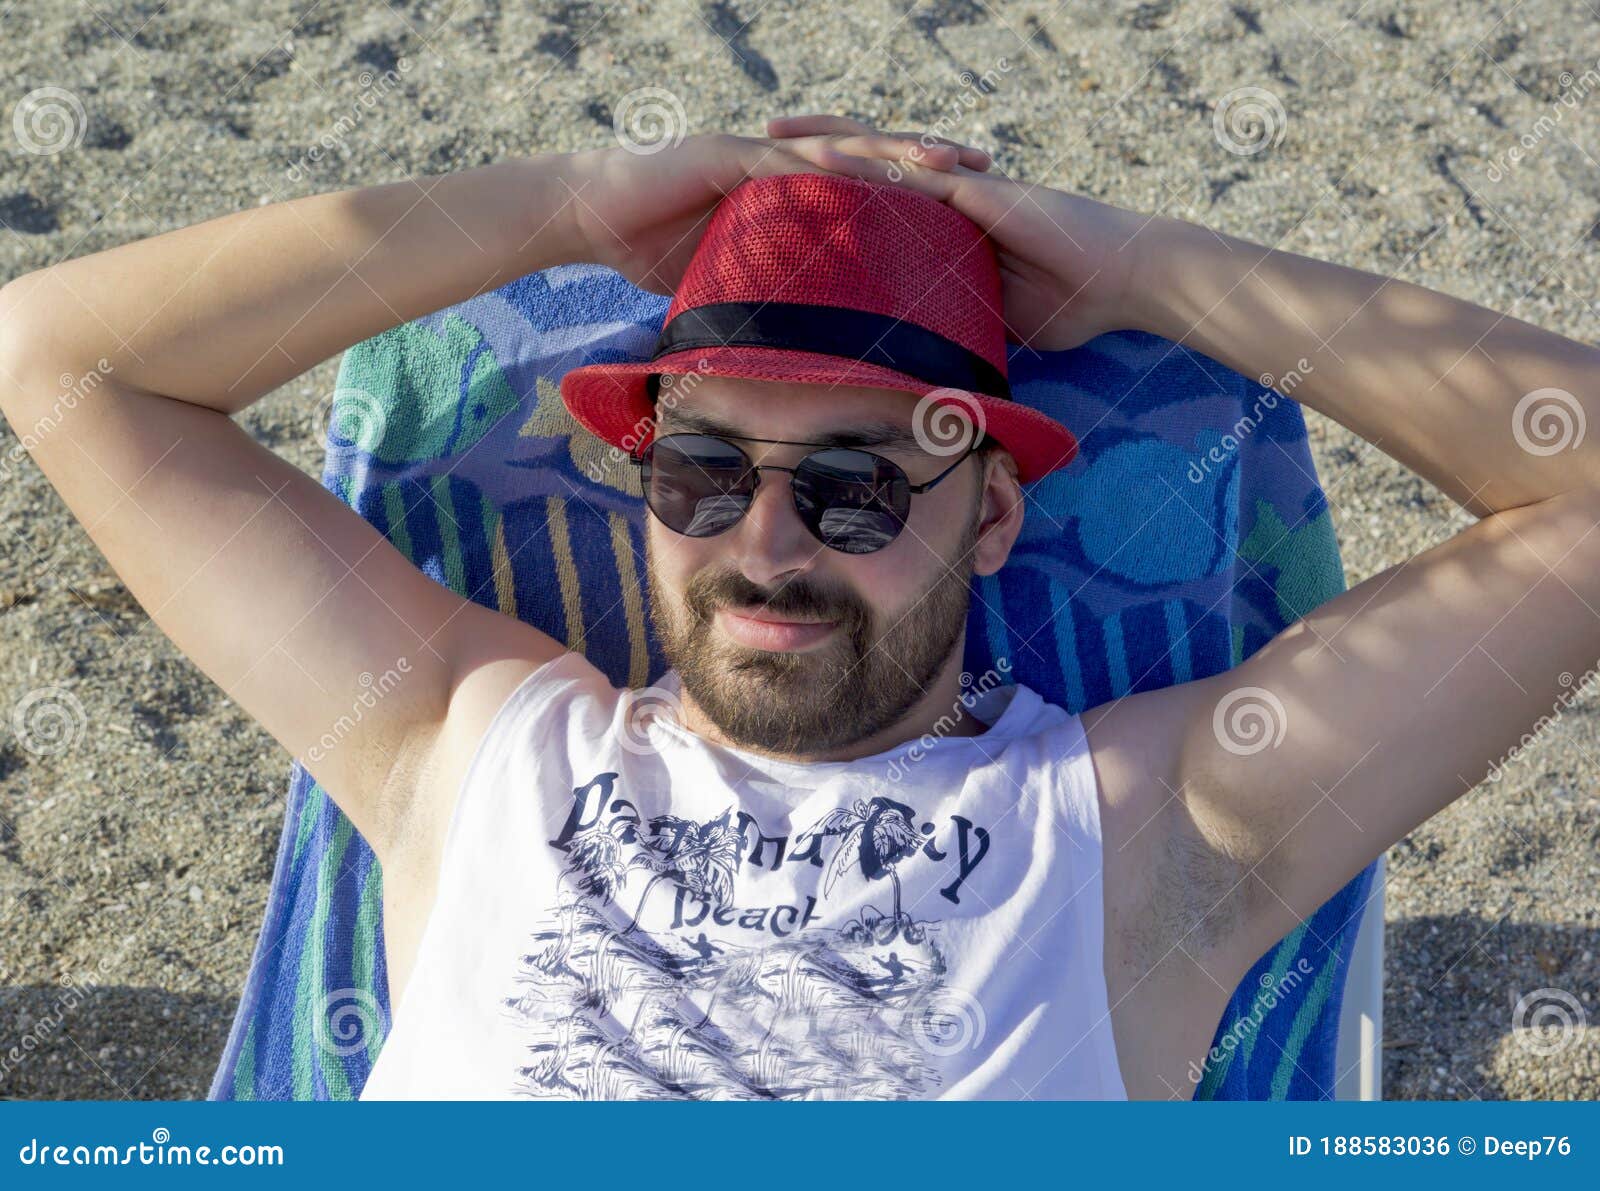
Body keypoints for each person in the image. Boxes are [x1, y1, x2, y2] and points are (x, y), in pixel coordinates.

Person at [2, 113, 1597, 1101]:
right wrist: (578, 207)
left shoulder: (1146, 833)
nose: (766, 548)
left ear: (994, 513)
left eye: (856, 488)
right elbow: (59, 359)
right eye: (702, 474)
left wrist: (1135, 269)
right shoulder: (461, 750)